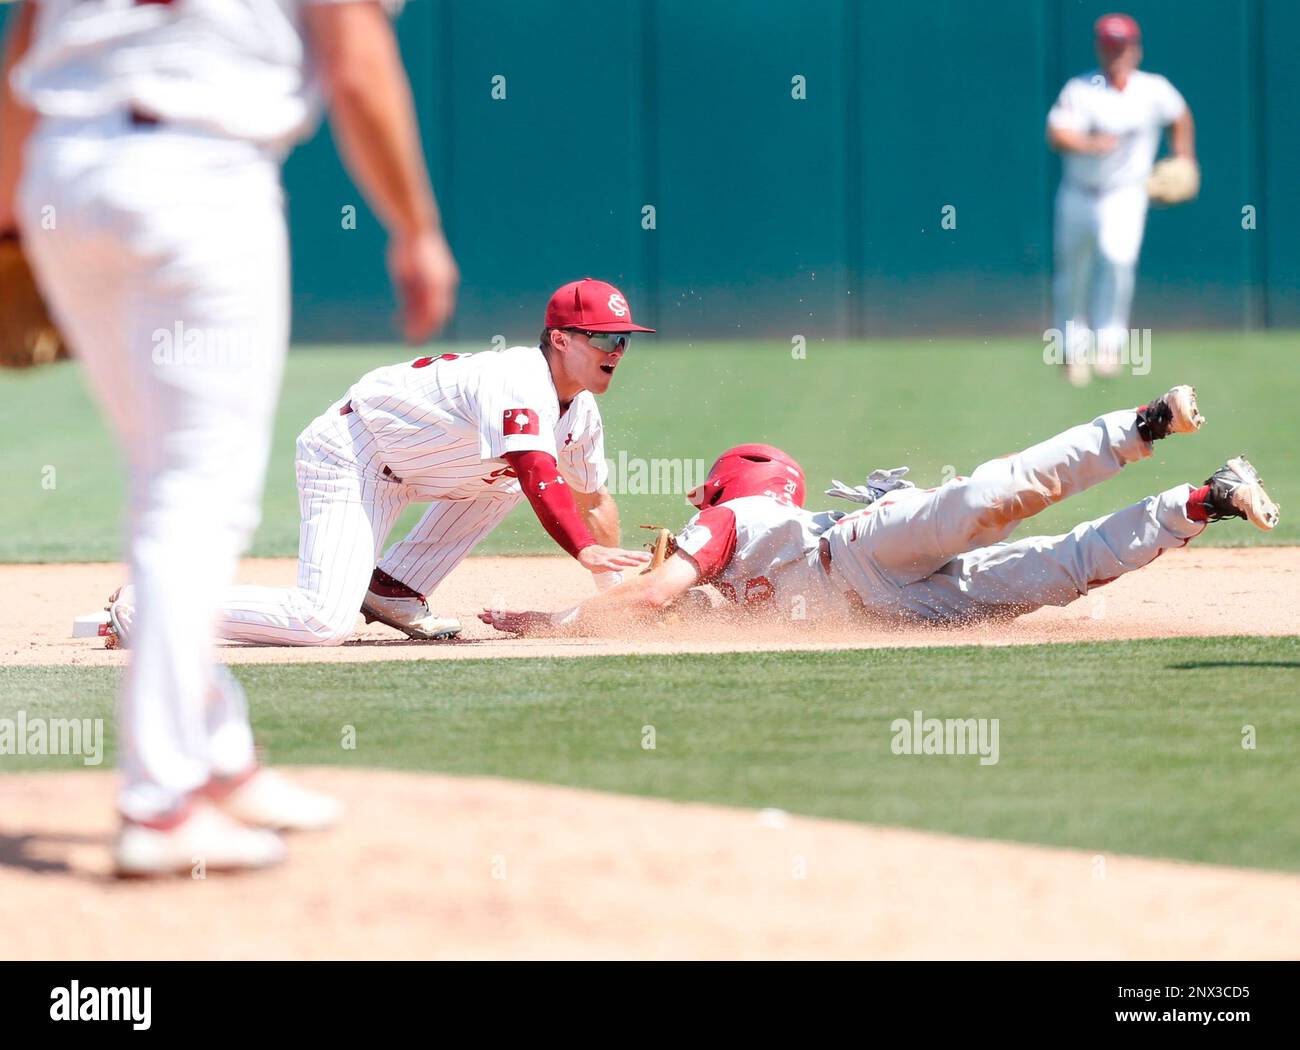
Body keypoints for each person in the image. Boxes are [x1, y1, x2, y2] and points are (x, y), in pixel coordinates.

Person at [0, 0, 459, 875]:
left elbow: (27, 38)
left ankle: (216, 754)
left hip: (65, 174)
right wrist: (415, 228)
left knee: (164, 477)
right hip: (198, 178)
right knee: (195, 492)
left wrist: (10, 216)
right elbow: (357, 58)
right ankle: (162, 802)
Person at [108, 278, 654, 648]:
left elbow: (593, 496)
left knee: (506, 480)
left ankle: (393, 588)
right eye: (604, 337)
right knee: (323, 622)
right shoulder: (517, 378)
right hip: (353, 454)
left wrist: (620, 597)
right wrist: (584, 549)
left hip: (422, 463)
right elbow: (539, 470)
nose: (617, 350)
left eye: (624, 340)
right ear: (559, 338)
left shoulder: (580, 412)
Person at [479, 386, 1279, 636]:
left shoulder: (728, 523)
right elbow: (666, 608)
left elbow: (650, 597)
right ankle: (1204, 500)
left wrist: (557, 620)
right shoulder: (730, 577)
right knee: (1054, 573)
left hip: (860, 553)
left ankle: (1141, 426)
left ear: (725, 486)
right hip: (891, 605)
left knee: (987, 502)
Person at [1047, 13, 1196, 386]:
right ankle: (1071, 351)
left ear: (1136, 49)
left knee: (1118, 259)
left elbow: (1180, 116)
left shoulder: (1153, 88)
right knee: (1073, 273)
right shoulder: (1081, 89)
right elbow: (1056, 133)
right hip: (1079, 193)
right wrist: (1087, 143)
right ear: (1100, 49)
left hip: (1125, 193)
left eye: (1123, 46)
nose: (1117, 53)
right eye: (1110, 46)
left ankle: (1109, 345)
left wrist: (1184, 156)